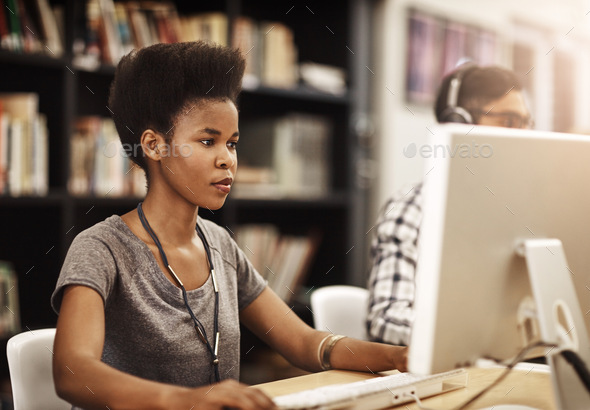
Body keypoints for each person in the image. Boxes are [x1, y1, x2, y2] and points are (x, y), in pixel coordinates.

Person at [51, 41, 407, 410]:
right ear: (155, 146)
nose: (227, 160)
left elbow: (304, 343)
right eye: (208, 141)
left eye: (232, 144)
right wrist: (187, 401)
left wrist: (399, 357)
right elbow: (72, 373)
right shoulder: (100, 248)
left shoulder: (219, 243)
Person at [366, 63, 533, 345]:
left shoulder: (528, 206)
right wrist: (478, 336)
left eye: (527, 124)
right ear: (459, 124)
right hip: (458, 372)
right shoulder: (413, 208)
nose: (526, 136)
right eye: (509, 122)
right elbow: (386, 318)